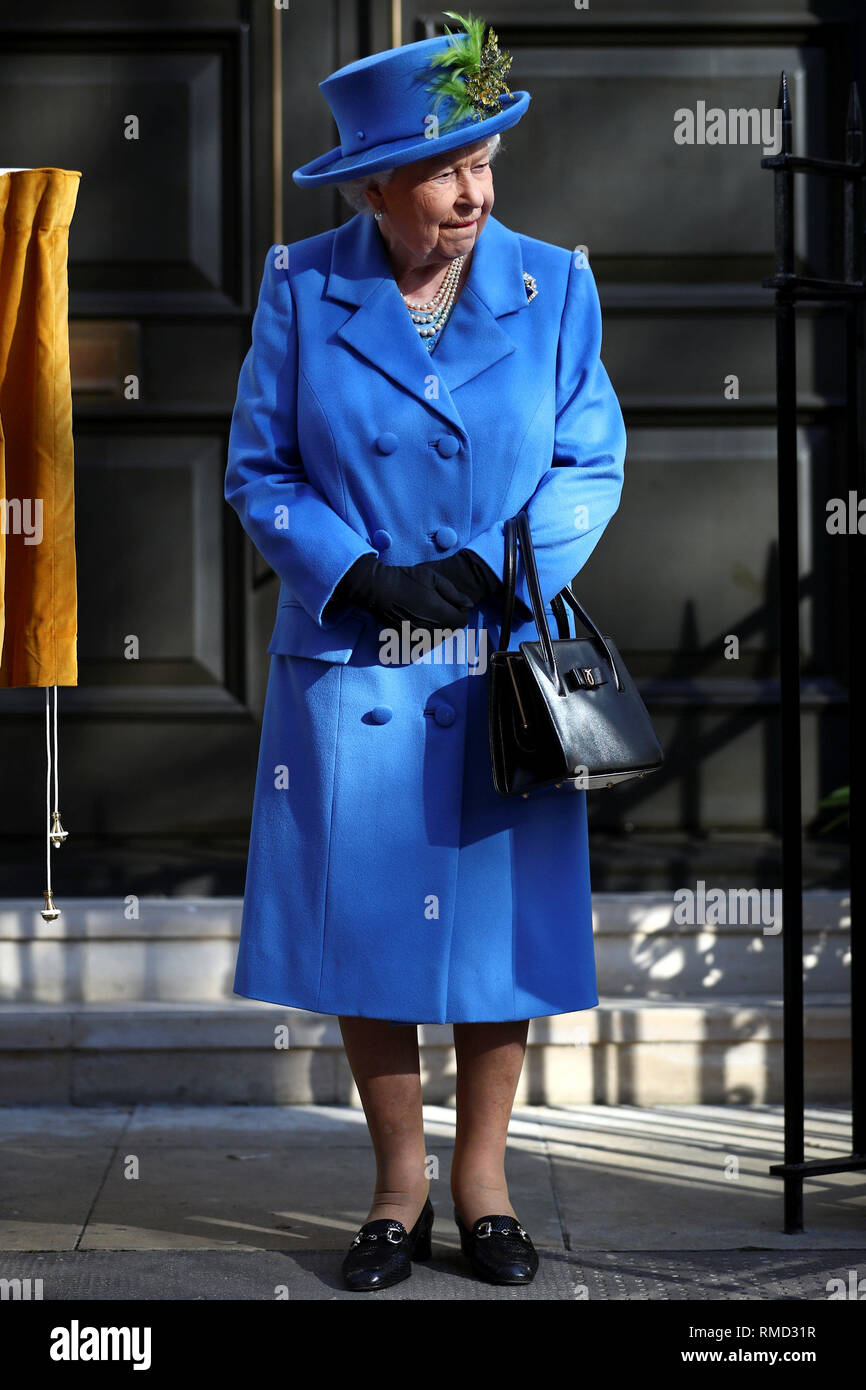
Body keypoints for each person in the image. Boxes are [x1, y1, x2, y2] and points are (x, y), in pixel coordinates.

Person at [224, 15, 627, 1292]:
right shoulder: (301, 286)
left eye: (485, 162)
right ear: (375, 185)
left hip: (495, 662)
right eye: (445, 169)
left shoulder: (553, 285)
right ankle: (396, 1188)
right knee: (369, 932)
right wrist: (358, 568)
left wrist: (510, 569)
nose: (472, 191)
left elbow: (590, 460)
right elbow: (260, 470)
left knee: (495, 932)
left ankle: (484, 1182)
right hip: (355, 669)